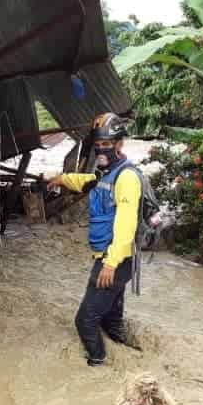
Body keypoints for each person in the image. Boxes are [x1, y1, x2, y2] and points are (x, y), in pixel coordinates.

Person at [47, 113, 141, 367]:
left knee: (85, 320)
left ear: (119, 144)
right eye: (98, 144)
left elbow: (126, 223)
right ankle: (131, 354)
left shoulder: (127, 178)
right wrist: (62, 179)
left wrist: (110, 264)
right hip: (115, 258)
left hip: (117, 259)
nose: (101, 149)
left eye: (107, 144)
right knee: (109, 320)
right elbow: (88, 182)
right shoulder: (106, 173)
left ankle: (98, 364)